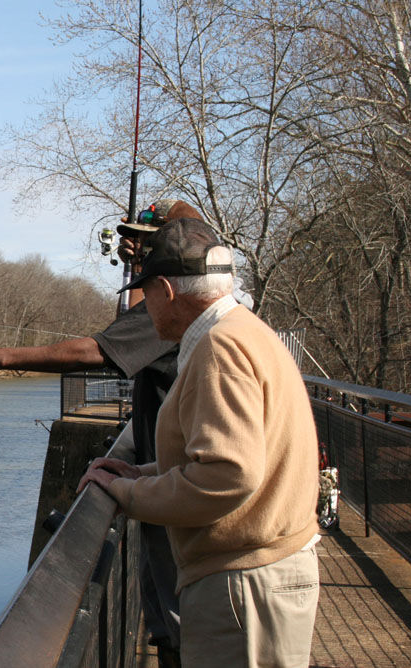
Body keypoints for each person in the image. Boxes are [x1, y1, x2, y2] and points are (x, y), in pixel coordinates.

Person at [0, 198, 202, 666]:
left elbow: (98, 350)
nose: (132, 249)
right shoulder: (175, 304)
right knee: (170, 624)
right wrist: (138, 268)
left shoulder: (176, 310)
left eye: (143, 244)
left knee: (182, 630)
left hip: (185, 505)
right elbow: (127, 329)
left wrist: (0, 357)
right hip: (167, 479)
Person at [79, 218, 320, 668]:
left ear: (166, 292)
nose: (144, 310)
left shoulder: (220, 347)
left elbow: (227, 475)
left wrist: (129, 495)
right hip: (257, 575)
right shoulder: (243, 331)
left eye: (145, 296)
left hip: (244, 583)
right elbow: (233, 456)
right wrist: (141, 472)